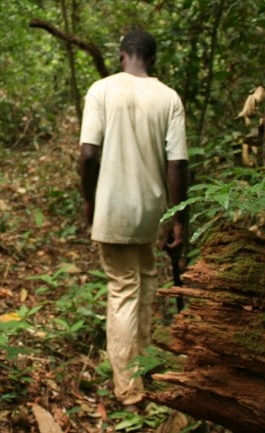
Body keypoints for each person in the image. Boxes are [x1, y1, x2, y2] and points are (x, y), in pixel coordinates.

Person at [77, 29, 189, 406]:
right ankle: (142, 370)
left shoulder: (102, 90)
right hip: (153, 211)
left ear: (121, 54)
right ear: (152, 59)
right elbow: (177, 164)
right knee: (144, 285)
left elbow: (88, 155)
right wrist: (178, 220)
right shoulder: (169, 97)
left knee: (123, 290)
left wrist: (90, 201)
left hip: (114, 208)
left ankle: (128, 389)